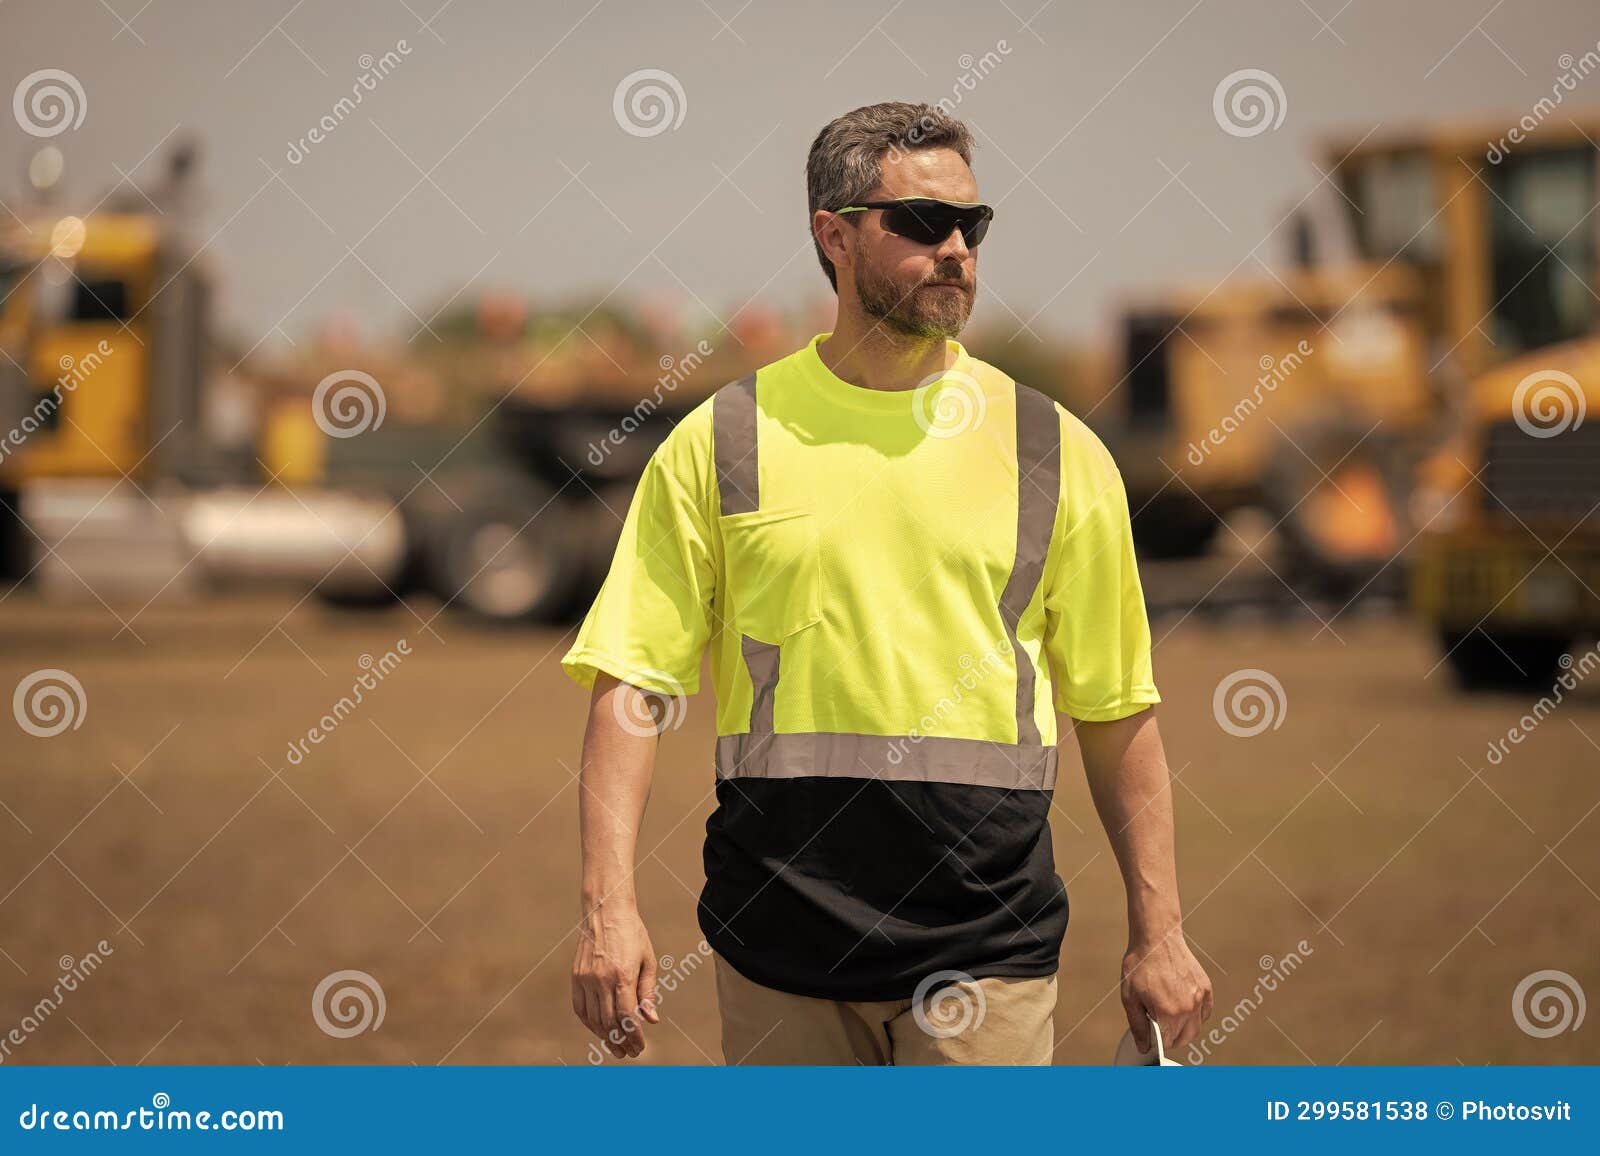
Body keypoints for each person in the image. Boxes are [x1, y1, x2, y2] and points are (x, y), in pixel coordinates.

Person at [563, 100, 1212, 1065]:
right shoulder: (721, 441)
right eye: (921, 223)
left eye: (972, 225)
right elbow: (632, 687)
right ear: (834, 236)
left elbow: (1119, 710)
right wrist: (607, 910)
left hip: (987, 954)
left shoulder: (1055, 452)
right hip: (776, 948)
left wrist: (1159, 933)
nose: (956, 248)